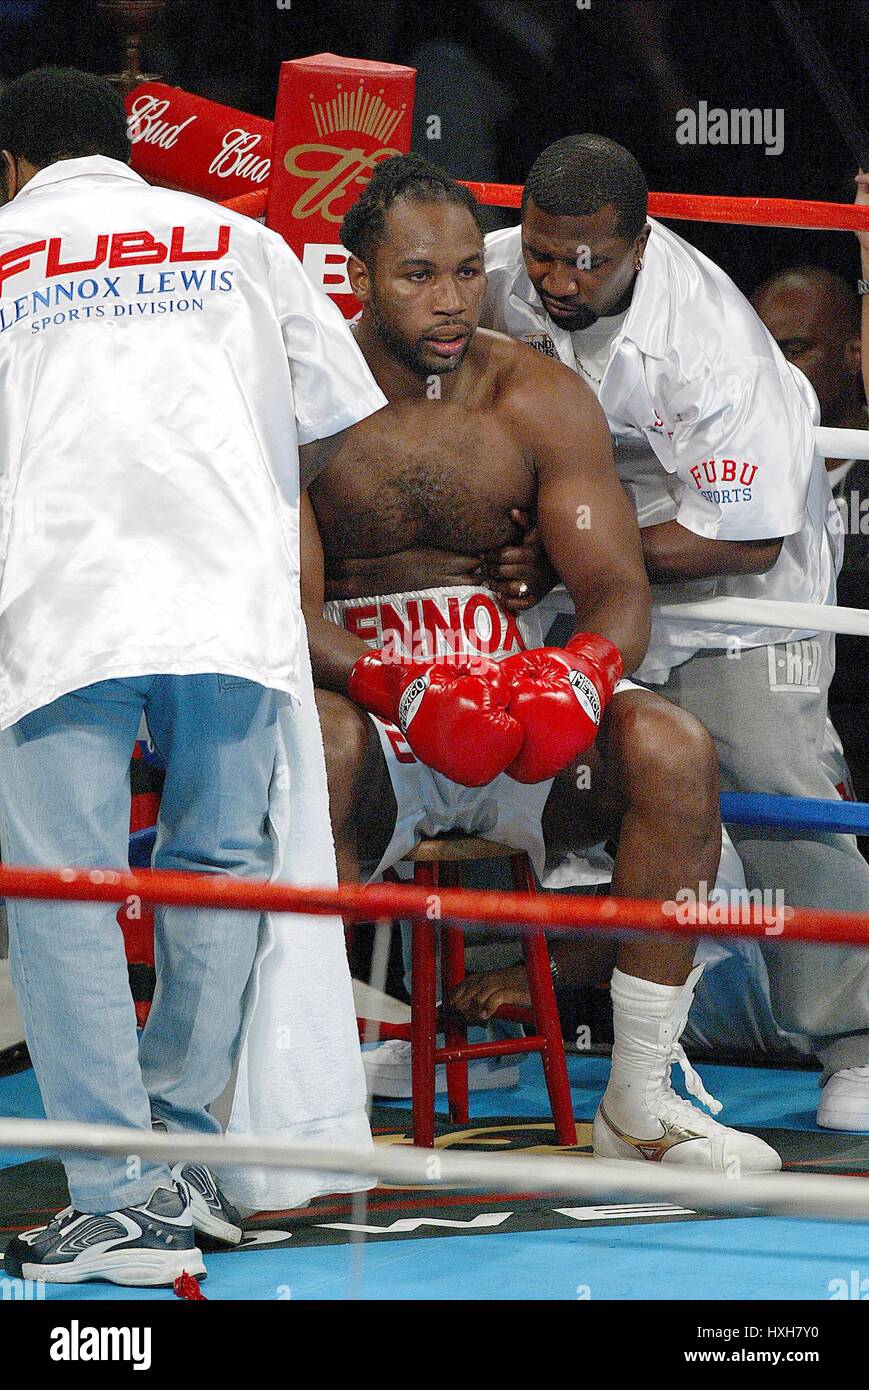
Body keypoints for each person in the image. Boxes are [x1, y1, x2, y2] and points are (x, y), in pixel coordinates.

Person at [303, 153, 780, 1175]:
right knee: (316, 742)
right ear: (357, 278)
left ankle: (642, 1100)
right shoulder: (307, 402)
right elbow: (278, 609)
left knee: (667, 743)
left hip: (510, 710)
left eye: (468, 273)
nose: (448, 300)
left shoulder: (535, 395)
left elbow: (613, 588)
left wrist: (579, 670)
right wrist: (393, 684)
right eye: (417, 275)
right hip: (369, 717)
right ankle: (306, 1102)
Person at [0, 67, 387, 1285]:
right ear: (122, 150)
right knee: (215, 865)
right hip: (226, 593)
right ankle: (176, 1156)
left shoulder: (4, 247)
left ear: (10, 166)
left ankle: (116, 1188)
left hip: (59, 600)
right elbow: (331, 415)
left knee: (64, 888)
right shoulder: (240, 239)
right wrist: (234, 479)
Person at [477, 133, 869, 1131]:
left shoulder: (707, 343)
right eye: (542, 252)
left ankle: (855, 1042)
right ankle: (494, 1020)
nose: (560, 278)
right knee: (517, 771)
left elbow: (734, 540)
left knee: (776, 788)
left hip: (727, 589)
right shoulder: (485, 276)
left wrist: (567, 554)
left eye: (588, 260)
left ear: (640, 243)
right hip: (574, 564)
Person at [751, 266, 868, 820]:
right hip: (781, 723)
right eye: (765, 349)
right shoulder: (738, 476)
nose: (777, 369)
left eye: (795, 349)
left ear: (854, 352)